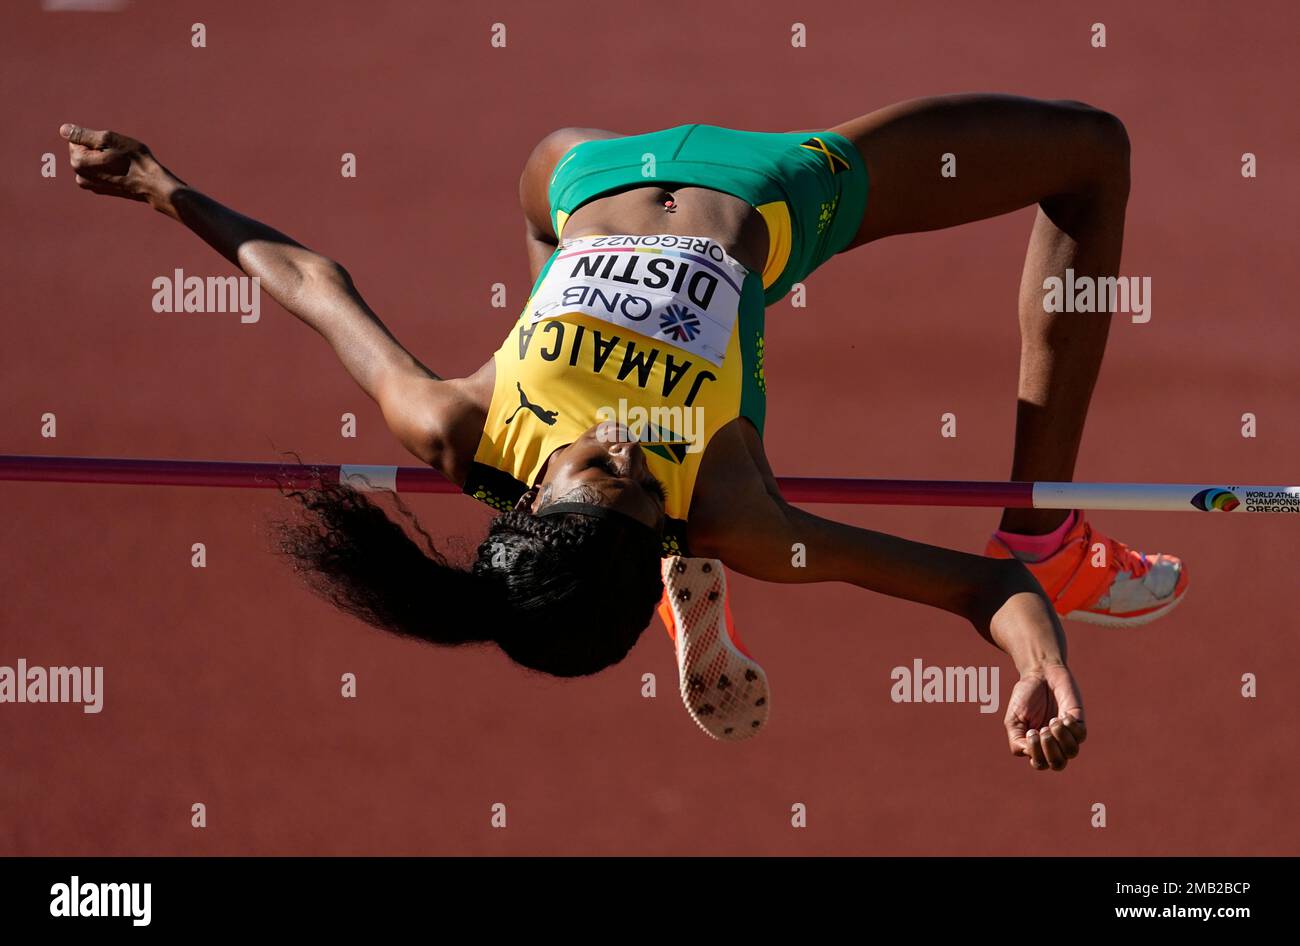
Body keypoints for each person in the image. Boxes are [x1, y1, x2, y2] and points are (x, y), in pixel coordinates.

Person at [59, 93, 1188, 771]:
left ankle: (652, 578)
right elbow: (982, 597)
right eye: (655, 497)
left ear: (525, 501)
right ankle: (1042, 525)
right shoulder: (733, 511)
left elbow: (310, 281)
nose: (641, 457)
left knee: (541, 176)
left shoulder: (454, 421)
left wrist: (165, 187)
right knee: (1092, 152)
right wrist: (1043, 662)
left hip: (579, 174)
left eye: (609, 473)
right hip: (782, 193)